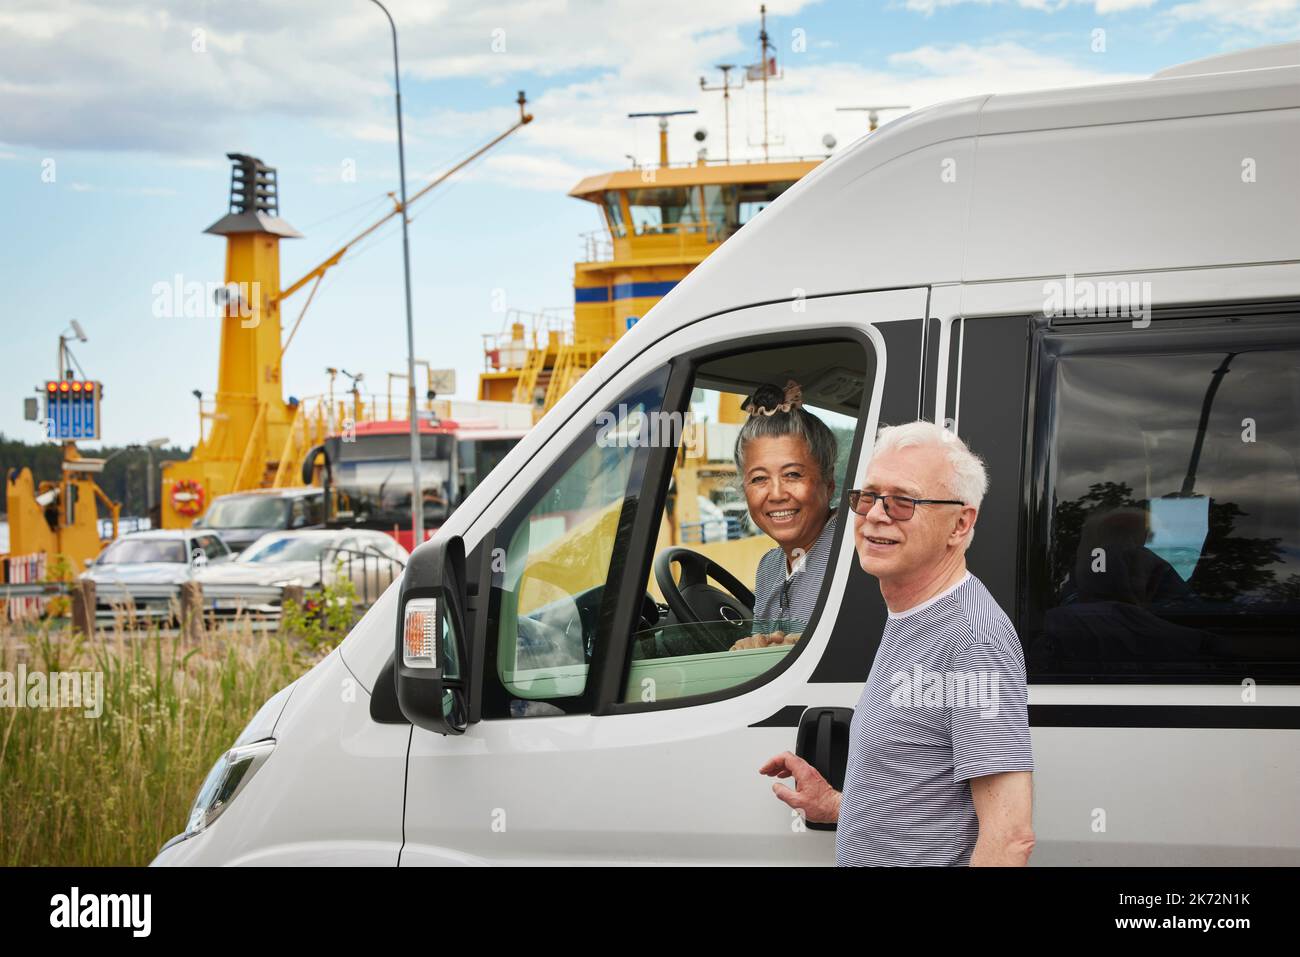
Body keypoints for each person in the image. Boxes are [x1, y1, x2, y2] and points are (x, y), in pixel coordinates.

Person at [758, 420, 1035, 866]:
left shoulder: (971, 641)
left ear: (960, 524)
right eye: (868, 497)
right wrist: (835, 805)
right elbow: (922, 803)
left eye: (903, 502)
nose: (875, 515)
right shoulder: (914, 615)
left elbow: (1010, 838)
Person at [727, 380, 839, 652]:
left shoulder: (856, 553)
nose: (776, 494)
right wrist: (751, 647)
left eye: (792, 475)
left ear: (828, 483)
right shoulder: (769, 567)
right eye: (759, 479)